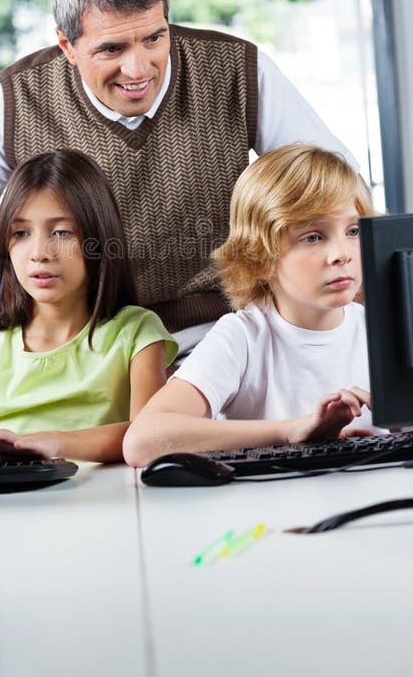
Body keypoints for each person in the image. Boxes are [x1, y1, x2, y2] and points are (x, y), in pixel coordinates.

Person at [0, 0, 359, 353]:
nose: (138, 67)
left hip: (227, 329)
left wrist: (358, 337)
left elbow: (345, 194)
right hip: (90, 342)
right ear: (67, 44)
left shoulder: (238, 69)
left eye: (154, 38)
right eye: (112, 49)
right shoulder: (18, 97)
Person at [123, 144, 379, 468]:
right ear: (258, 259)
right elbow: (141, 441)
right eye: (313, 237)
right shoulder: (242, 337)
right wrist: (291, 432)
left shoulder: (383, 329)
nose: (342, 253)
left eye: (353, 231)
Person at [0, 149, 177, 463]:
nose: (39, 252)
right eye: (21, 233)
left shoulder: (136, 332)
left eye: (61, 232)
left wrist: (57, 443)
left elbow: (149, 435)